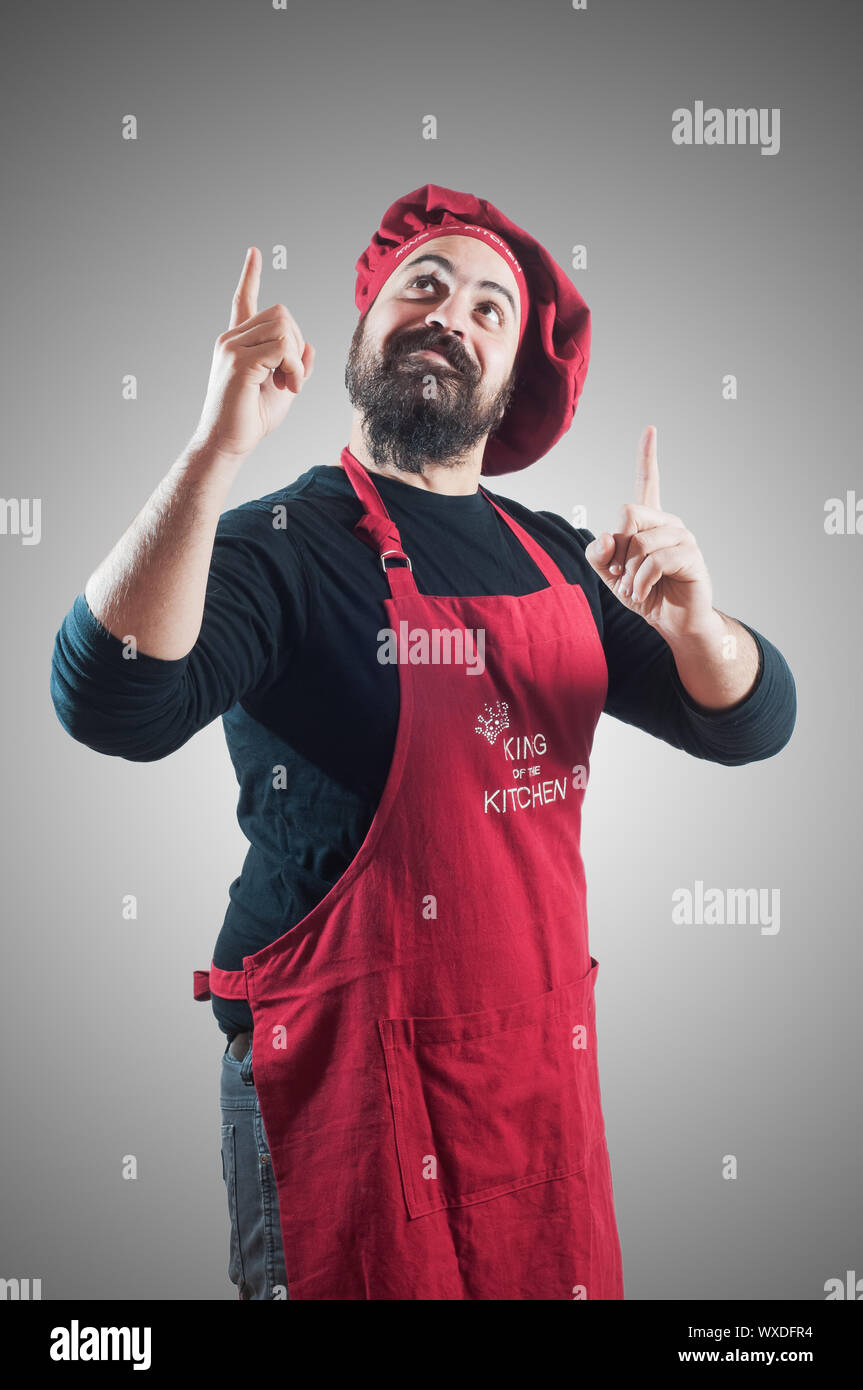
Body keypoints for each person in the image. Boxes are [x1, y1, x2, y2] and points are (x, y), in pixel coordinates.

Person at [50, 183, 797, 1301]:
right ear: (363, 328)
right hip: (343, 1084)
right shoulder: (276, 547)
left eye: (492, 308)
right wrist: (213, 448)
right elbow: (108, 702)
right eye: (426, 285)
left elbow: (748, 720)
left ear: (512, 382)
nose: (455, 314)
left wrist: (696, 621)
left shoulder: (561, 559)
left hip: (534, 1081)